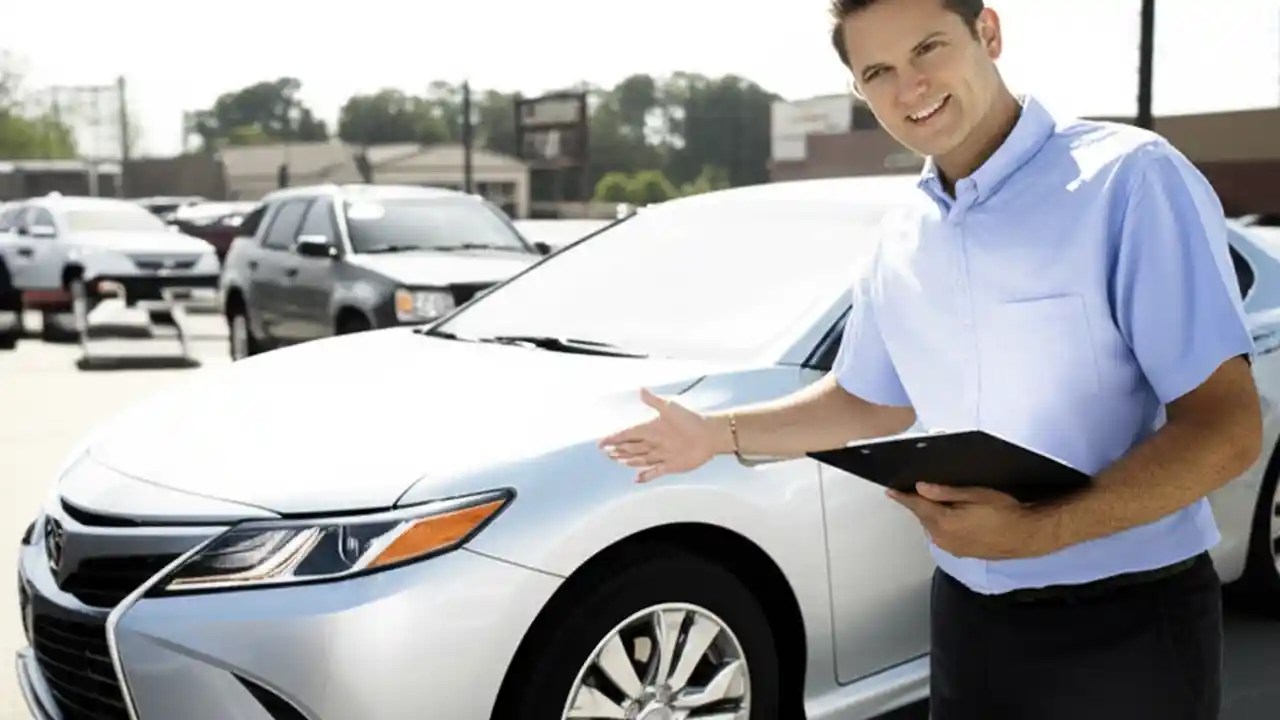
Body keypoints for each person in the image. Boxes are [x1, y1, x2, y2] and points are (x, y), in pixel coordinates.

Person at [598, 0, 1263, 717]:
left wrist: (1038, 530)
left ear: (990, 33)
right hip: (967, 616)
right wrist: (717, 434)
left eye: (928, 49)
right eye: (878, 70)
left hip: (1126, 623)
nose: (909, 87)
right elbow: (868, 399)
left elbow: (1225, 431)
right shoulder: (904, 232)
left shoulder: (1129, 181)